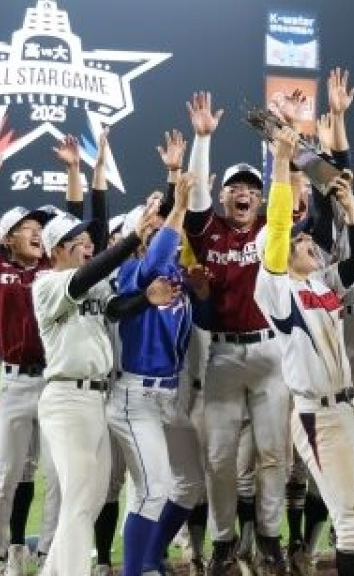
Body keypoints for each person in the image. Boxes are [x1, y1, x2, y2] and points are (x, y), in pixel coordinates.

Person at [255, 126, 354, 576]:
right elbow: (279, 228)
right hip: (317, 417)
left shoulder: (320, 283)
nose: (307, 242)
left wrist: (353, 212)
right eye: (300, 242)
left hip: (350, 409)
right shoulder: (276, 290)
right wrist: (282, 164)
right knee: (351, 521)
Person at [0, 131, 99, 576]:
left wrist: (75, 170)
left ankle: (48, 554)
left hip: (53, 378)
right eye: (27, 228)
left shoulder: (50, 269)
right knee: (6, 475)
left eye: (40, 230)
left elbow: (73, 219)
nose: (37, 233)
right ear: (8, 238)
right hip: (15, 382)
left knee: (58, 474)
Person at [181, 91, 291, 576]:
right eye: (234, 188)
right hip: (224, 357)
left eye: (251, 187)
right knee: (220, 457)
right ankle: (224, 540)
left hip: (269, 353)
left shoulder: (269, 228)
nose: (243, 192)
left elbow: (285, 198)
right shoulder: (211, 232)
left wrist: (282, 147)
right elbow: (195, 202)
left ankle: (269, 537)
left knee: (273, 456)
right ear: (223, 197)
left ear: (260, 197)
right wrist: (203, 139)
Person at [31, 202, 170, 576]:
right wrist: (133, 238)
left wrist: (146, 299)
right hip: (67, 398)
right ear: (56, 250)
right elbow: (88, 275)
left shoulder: (91, 284)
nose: (86, 245)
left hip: (97, 399)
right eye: (76, 241)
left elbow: (115, 309)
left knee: (90, 501)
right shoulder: (47, 284)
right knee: (79, 499)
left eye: (87, 240)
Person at [108, 167, 205, 576]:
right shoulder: (132, 272)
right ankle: (136, 569)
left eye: (164, 227)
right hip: (135, 397)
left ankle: (151, 556)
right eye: (151, 229)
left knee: (189, 483)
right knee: (152, 490)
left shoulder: (176, 277)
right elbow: (157, 259)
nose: (164, 232)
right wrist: (178, 206)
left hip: (169, 393)